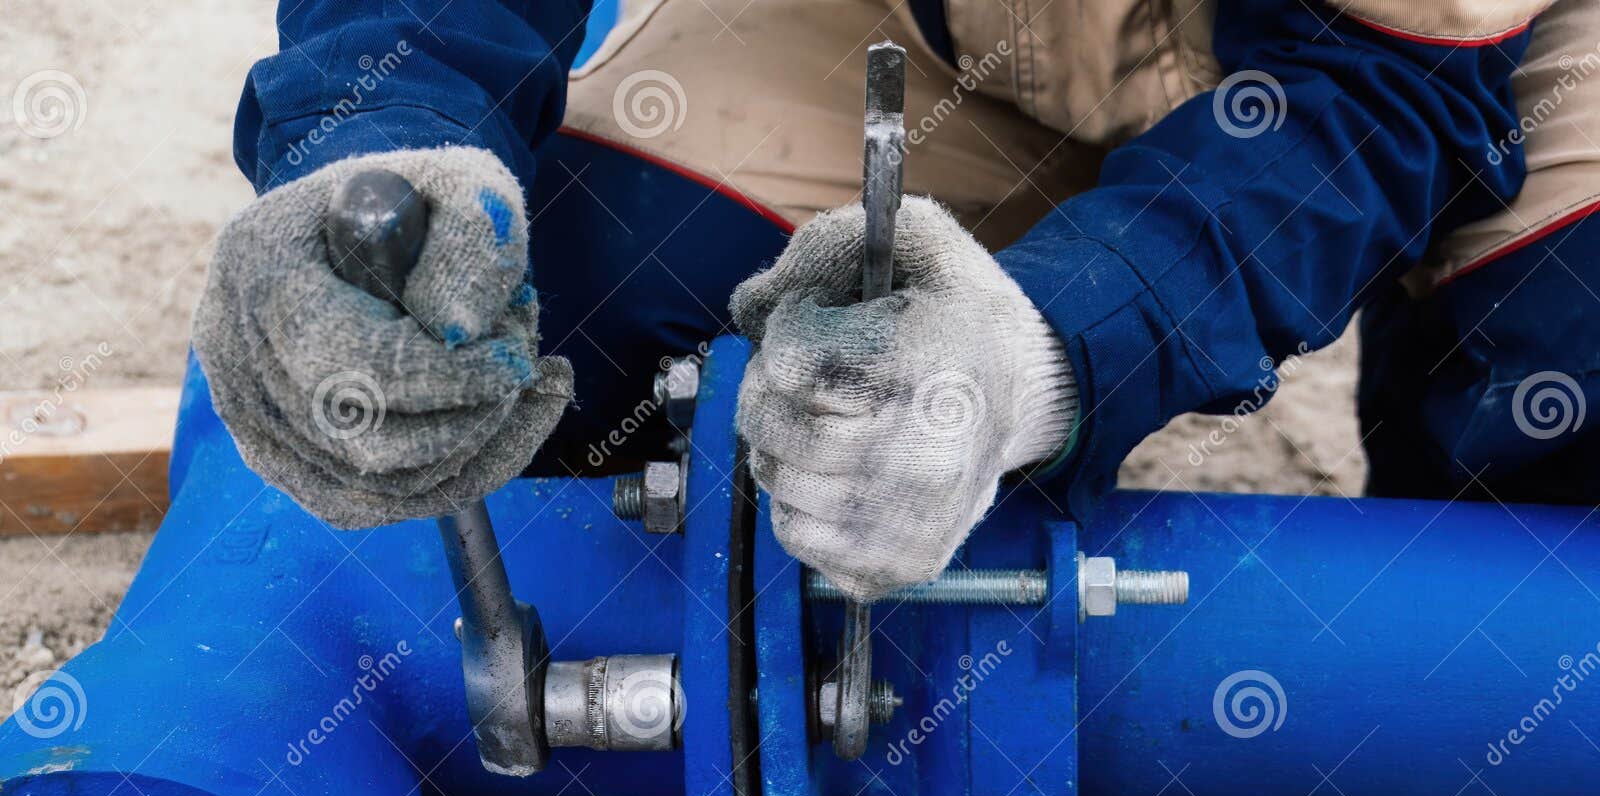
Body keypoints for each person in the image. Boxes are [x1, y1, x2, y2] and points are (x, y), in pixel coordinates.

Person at [195, 0, 1599, 600]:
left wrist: (1051, 352)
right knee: (527, 333)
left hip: (1438, 46)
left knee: (1569, 401)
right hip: (953, 30)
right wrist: (381, 136)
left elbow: (1379, 95)